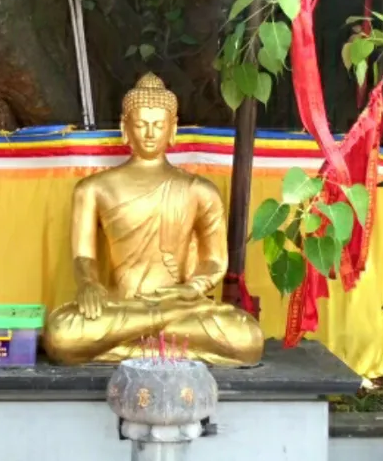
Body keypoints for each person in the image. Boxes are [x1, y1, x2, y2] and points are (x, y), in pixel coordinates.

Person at [42, 74, 264, 366]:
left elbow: (215, 261)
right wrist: (88, 284)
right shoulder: (93, 189)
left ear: (172, 129)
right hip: (122, 306)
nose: (149, 133)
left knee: (248, 338)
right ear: (125, 128)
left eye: (158, 125)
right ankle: (164, 344)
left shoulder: (199, 190)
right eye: (141, 124)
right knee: (60, 333)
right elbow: (84, 255)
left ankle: (128, 348)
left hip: (179, 306)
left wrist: (193, 289)